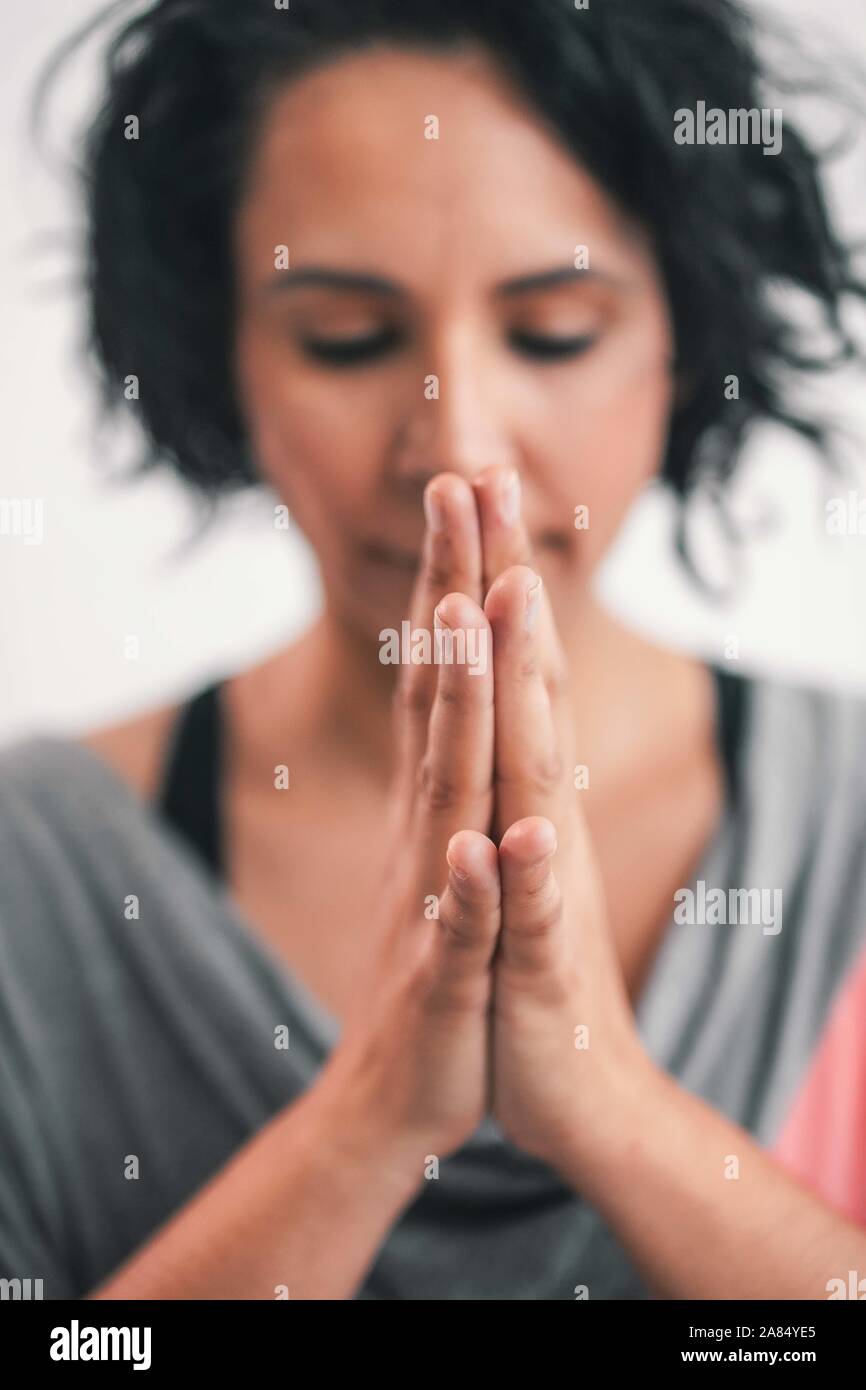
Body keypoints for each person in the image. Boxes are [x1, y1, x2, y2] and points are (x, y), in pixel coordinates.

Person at [2, 0, 866, 1301]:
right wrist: (367, 1122)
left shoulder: (844, 820)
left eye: (555, 329)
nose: (458, 444)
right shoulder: (39, 874)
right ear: (219, 352)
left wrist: (608, 1105)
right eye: (345, 338)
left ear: (684, 336)